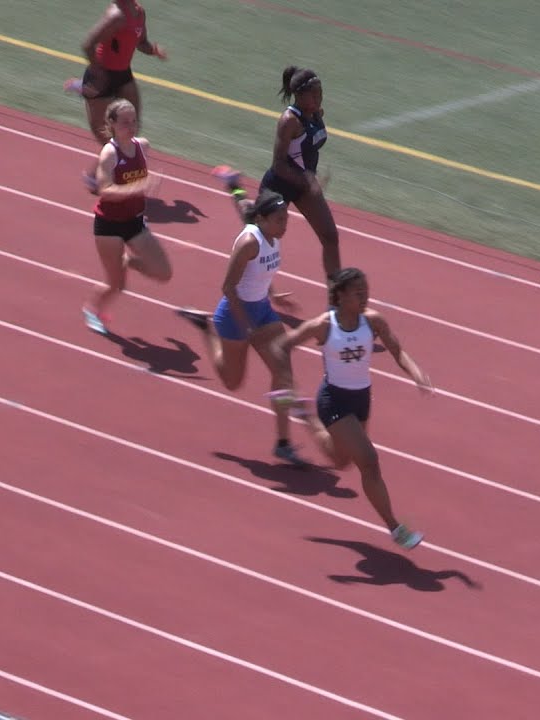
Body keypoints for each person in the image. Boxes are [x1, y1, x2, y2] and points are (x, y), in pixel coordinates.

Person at [270, 268, 432, 550]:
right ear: (341, 296)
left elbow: (397, 351)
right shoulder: (324, 325)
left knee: (340, 461)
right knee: (369, 460)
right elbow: (282, 346)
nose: (364, 295)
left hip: (361, 400)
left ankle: (302, 413)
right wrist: (285, 380)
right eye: (357, 292)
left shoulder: (373, 321)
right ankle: (396, 528)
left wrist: (416, 372)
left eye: (366, 290)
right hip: (333, 400)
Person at [174, 189, 308, 466]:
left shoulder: (272, 237)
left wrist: (273, 295)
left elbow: (258, 271)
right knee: (233, 382)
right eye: (279, 220)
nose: (284, 225)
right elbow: (228, 287)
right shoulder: (249, 241)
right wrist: (247, 328)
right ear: (261, 219)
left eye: (286, 219)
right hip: (236, 315)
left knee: (283, 371)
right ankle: (206, 328)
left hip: (262, 311)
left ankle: (283, 443)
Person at [213, 66, 339, 282]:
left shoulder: (317, 113)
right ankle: (235, 186)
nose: (319, 98)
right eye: (314, 94)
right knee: (254, 226)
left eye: (321, 92)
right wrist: (307, 180)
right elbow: (279, 164)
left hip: (305, 185)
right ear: (299, 96)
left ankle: (336, 301)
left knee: (330, 237)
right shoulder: (289, 121)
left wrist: (309, 180)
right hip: (280, 184)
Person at [82, 99, 171, 334]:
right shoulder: (109, 153)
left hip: (134, 222)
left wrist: (142, 186)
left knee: (163, 272)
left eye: (134, 121)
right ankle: (92, 309)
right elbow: (105, 191)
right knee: (116, 285)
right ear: (111, 123)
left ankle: (129, 261)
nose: (131, 126)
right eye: (125, 122)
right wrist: (140, 186)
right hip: (109, 226)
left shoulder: (143, 146)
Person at [68, 0, 167, 192]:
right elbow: (88, 44)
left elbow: (142, 43)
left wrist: (154, 50)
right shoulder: (117, 16)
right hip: (101, 76)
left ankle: (99, 174)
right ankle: (97, 176)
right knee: (107, 135)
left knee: (131, 126)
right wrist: (98, 72)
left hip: (123, 74)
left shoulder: (138, 13)